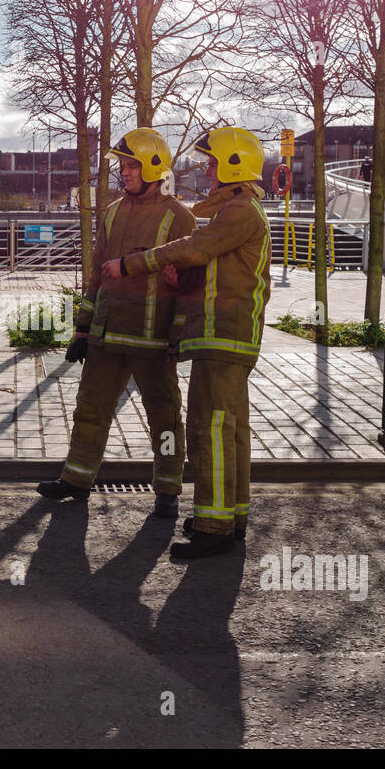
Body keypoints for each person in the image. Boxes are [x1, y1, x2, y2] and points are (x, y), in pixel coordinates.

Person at [102, 126, 270, 560]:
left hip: (223, 336)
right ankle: (231, 517)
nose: (208, 171)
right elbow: (212, 266)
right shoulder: (237, 211)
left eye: (213, 163)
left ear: (233, 165)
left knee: (208, 429)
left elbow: (194, 247)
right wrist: (185, 278)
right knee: (231, 430)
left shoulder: (239, 211)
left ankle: (214, 527)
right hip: (228, 336)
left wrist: (131, 264)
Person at [37, 128, 195, 521]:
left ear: (154, 167)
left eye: (131, 166)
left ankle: (168, 488)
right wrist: (82, 328)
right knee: (89, 409)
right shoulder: (111, 212)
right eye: (122, 165)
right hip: (106, 334)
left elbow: (189, 285)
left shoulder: (180, 218)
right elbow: (97, 275)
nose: (124, 172)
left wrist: (178, 336)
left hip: (153, 340)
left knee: (165, 416)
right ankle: (76, 479)